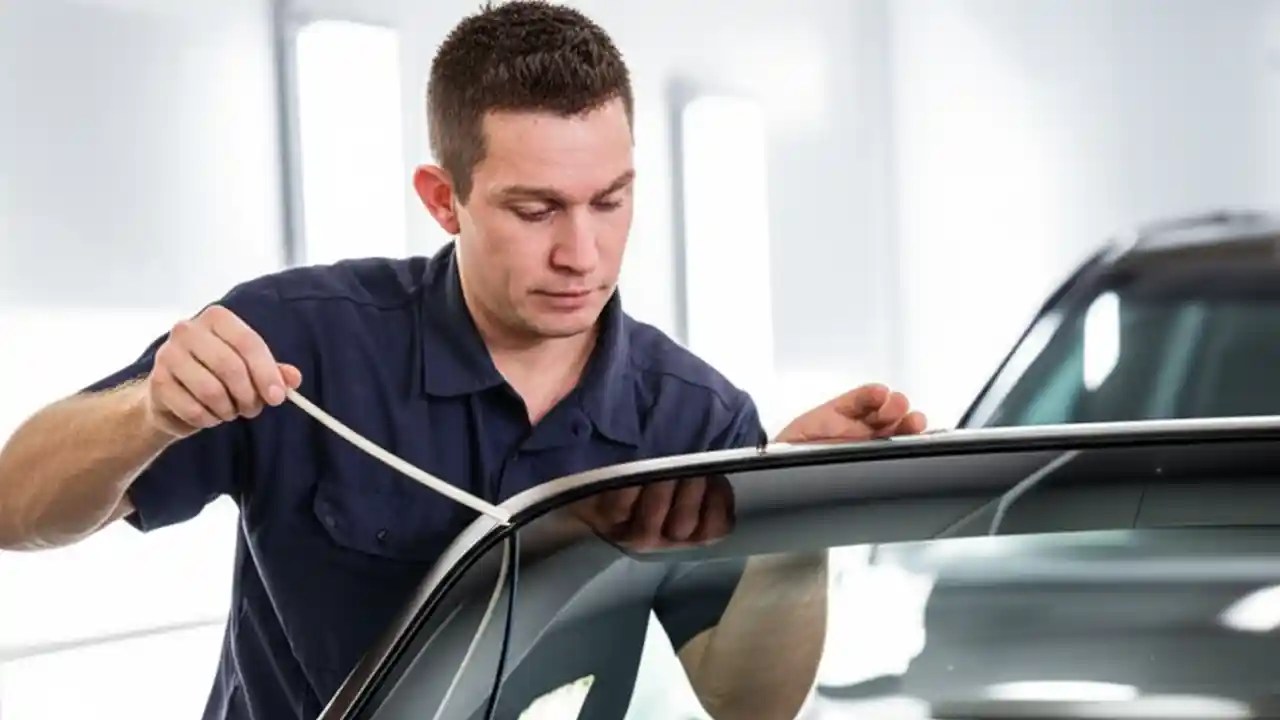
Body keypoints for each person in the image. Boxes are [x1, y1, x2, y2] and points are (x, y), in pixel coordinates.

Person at [0, 2, 926, 719]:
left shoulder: (691, 419)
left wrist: (800, 518)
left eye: (610, 201)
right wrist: (150, 413)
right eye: (536, 210)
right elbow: (15, 511)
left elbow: (745, 703)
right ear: (444, 200)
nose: (583, 253)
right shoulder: (299, 340)